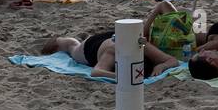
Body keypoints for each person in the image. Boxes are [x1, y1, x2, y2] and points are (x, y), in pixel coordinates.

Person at [41, 29, 181, 80]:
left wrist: (161, 66)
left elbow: (172, 60)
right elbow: (96, 71)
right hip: (91, 47)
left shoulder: (141, 45)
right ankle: (58, 40)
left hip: (115, 37)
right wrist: (120, 76)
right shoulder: (115, 52)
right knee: (73, 47)